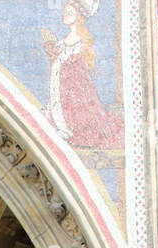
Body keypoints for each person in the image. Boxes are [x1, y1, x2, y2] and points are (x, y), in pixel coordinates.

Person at [42, 1, 123, 149]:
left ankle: (68, 128)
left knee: (82, 125)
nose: (65, 15)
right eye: (65, 12)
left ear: (78, 16)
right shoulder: (62, 42)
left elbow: (76, 72)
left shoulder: (81, 43)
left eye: (70, 13)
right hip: (59, 91)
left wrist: (60, 58)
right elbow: (57, 62)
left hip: (75, 95)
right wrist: (50, 46)